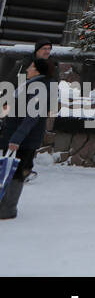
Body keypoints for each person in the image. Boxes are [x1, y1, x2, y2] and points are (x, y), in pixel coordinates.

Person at [0, 56, 53, 220]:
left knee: (15, 173)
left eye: (31, 67)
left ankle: (8, 209)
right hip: (15, 135)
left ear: (37, 71)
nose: (28, 69)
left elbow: (32, 116)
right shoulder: (30, 85)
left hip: (24, 140)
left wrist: (17, 138)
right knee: (7, 170)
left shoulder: (39, 88)